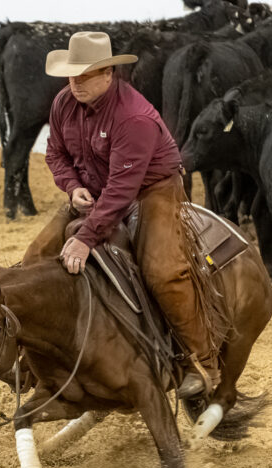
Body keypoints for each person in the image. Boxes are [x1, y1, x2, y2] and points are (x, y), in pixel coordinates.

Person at [28, 31, 221, 399]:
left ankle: (202, 362)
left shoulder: (134, 117)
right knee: (35, 257)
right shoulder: (63, 103)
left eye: (84, 75)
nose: (74, 83)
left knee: (163, 271)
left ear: (107, 74)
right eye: (71, 74)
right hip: (96, 189)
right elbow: (55, 153)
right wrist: (72, 186)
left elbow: (122, 190)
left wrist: (85, 238)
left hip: (152, 190)